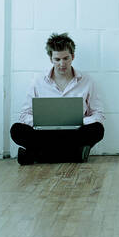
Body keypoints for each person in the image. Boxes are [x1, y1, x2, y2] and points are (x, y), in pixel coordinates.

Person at [11, 32, 105, 165]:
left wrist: (81, 121)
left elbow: (98, 114)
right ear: (51, 59)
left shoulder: (87, 81)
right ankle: (75, 155)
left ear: (72, 56)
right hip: (45, 135)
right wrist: (40, 121)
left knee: (97, 130)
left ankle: (35, 155)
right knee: (17, 129)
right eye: (57, 59)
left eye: (66, 58)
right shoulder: (37, 81)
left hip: (74, 134)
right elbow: (24, 115)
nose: (62, 64)